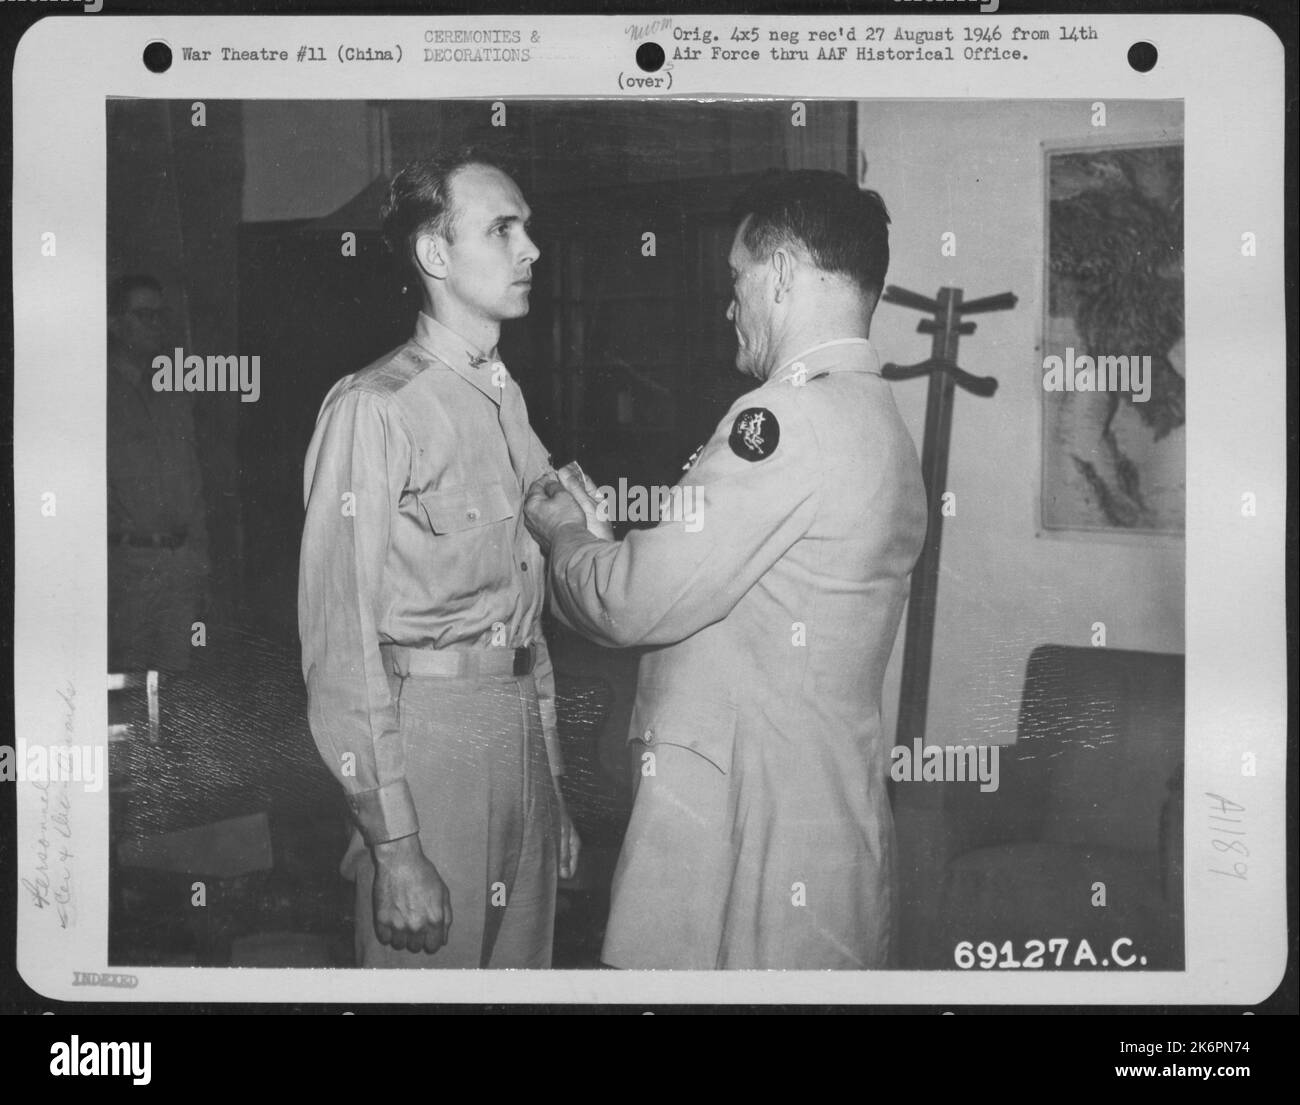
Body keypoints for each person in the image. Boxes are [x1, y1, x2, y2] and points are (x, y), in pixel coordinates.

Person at [524, 170, 927, 969]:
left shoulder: (781, 417)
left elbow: (632, 605)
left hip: (748, 820)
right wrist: (623, 541)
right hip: (819, 809)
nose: (729, 304)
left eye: (737, 278)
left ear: (779, 275)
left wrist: (565, 534)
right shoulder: (873, 414)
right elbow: (735, 581)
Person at [299, 152, 579, 968]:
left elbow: (524, 618)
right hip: (428, 746)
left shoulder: (505, 399)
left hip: (516, 730)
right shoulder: (375, 408)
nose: (531, 249)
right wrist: (394, 846)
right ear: (434, 255)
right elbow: (340, 642)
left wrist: (551, 780)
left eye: (526, 228)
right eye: (503, 228)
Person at [107, 274, 210, 674]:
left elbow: (193, 481)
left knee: (176, 683)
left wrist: (200, 562)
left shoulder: (174, 392)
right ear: (115, 324)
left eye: (159, 316)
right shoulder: (98, 394)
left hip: (179, 565)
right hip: (126, 566)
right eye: (143, 315)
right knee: (123, 683)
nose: (155, 325)